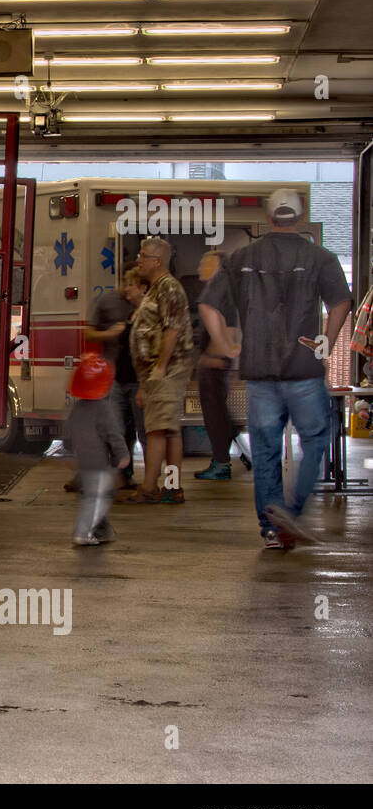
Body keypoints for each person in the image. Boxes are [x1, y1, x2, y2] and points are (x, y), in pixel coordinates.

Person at [199, 188, 353, 549]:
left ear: (269, 218)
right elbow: (342, 302)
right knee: (316, 437)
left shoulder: (240, 257)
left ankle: (270, 527)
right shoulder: (319, 257)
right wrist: (326, 340)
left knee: (266, 448)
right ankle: (292, 511)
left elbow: (209, 308)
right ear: (299, 217)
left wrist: (226, 346)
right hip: (304, 367)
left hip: (259, 370)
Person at [123, 236, 194, 504]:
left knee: (156, 430)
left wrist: (160, 367)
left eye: (143, 256)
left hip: (166, 370)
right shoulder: (155, 288)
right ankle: (172, 487)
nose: (138, 260)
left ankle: (151, 488)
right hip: (157, 372)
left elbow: (172, 329)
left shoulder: (168, 289)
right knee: (169, 430)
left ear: (157, 261)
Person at [67, 261, 145, 491]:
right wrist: (108, 333)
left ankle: (123, 475)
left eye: (133, 284)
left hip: (135, 376)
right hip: (111, 376)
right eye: (127, 283)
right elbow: (89, 331)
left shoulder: (143, 304)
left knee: (130, 430)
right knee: (111, 427)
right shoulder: (107, 301)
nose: (128, 288)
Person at [66, 353, 129, 545]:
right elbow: (113, 434)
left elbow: (68, 434)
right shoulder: (103, 408)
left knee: (89, 498)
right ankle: (84, 532)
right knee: (98, 501)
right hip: (99, 464)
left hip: (83, 464)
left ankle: (93, 531)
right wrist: (122, 455)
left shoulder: (77, 408)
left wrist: (69, 451)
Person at [192, 250, 238, 480]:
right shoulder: (223, 293)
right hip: (216, 363)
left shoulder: (220, 294)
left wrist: (217, 355)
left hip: (215, 365)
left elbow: (228, 330)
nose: (200, 267)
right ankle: (220, 459)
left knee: (216, 415)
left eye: (205, 263)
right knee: (218, 415)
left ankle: (221, 463)